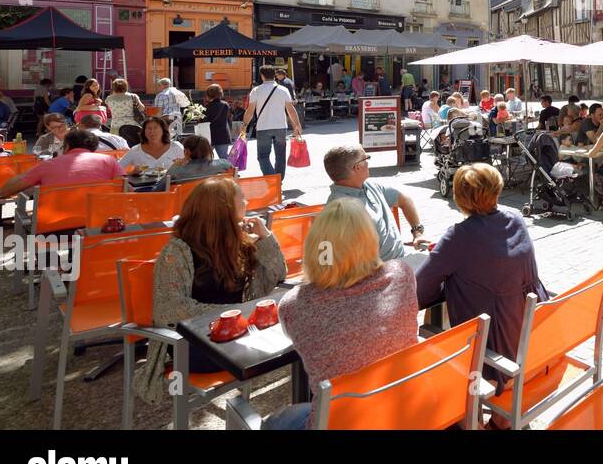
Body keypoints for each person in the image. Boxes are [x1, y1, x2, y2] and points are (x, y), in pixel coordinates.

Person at [267, 197, 421, 430]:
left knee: (274, 420)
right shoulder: (401, 274)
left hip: (340, 421)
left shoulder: (293, 304)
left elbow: (299, 339)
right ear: (370, 240)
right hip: (400, 411)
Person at [135, 178, 286, 404]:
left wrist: (266, 237)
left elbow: (277, 274)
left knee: (293, 338)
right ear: (224, 208)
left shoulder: (238, 242)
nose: (246, 202)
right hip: (196, 346)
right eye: (241, 198)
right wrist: (235, 314)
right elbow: (170, 310)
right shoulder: (177, 251)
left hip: (236, 336)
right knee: (288, 344)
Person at [415, 163, 549, 407]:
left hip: (497, 355)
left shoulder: (458, 236)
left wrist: (448, 275)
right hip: (533, 340)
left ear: (459, 198)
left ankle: (470, 414)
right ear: (498, 189)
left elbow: (418, 292)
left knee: (432, 332)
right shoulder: (516, 219)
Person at [324, 145, 430, 262]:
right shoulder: (338, 209)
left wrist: (417, 232)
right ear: (357, 167)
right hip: (377, 273)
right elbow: (326, 258)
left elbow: (405, 200)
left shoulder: (370, 186)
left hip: (402, 261)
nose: (368, 163)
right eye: (366, 159)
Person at [0, 128, 126, 199]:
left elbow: (6, 191)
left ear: (66, 146)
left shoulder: (48, 164)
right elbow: (124, 189)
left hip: (52, 227)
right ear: (93, 148)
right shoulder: (110, 161)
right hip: (97, 223)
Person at [242, 65, 303, 179]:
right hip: (280, 127)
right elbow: (291, 110)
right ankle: (278, 180)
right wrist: (297, 124)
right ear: (274, 75)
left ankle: (272, 180)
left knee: (263, 156)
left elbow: (250, 111)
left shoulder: (256, 90)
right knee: (280, 156)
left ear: (262, 76)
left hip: (263, 127)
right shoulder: (283, 90)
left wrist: (244, 125)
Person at [120, 116, 186, 171]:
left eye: (156, 128)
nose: (152, 132)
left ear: (163, 131)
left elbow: (187, 169)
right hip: (143, 186)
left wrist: (181, 166)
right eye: (149, 128)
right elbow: (116, 169)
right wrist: (132, 173)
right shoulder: (135, 151)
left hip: (172, 185)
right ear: (144, 132)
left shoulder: (176, 147)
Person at [168, 135, 235, 184]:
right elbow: (235, 182)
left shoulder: (176, 171)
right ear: (208, 150)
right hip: (218, 201)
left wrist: (174, 165)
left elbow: (159, 189)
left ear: (187, 151)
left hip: (186, 202)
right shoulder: (224, 164)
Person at [105, 78, 147, 147]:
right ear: (126, 86)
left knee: (118, 146)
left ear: (114, 87)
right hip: (132, 124)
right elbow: (142, 108)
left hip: (116, 125)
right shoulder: (133, 96)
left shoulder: (109, 98)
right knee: (134, 145)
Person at [202, 84, 234, 160]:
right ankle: (228, 172)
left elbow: (204, 121)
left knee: (206, 160)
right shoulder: (225, 105)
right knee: (224, 159)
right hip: (223, 135)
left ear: (208, 95)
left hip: (209, 136)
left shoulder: (207, 107)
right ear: (220, 93)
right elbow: (228, 119)